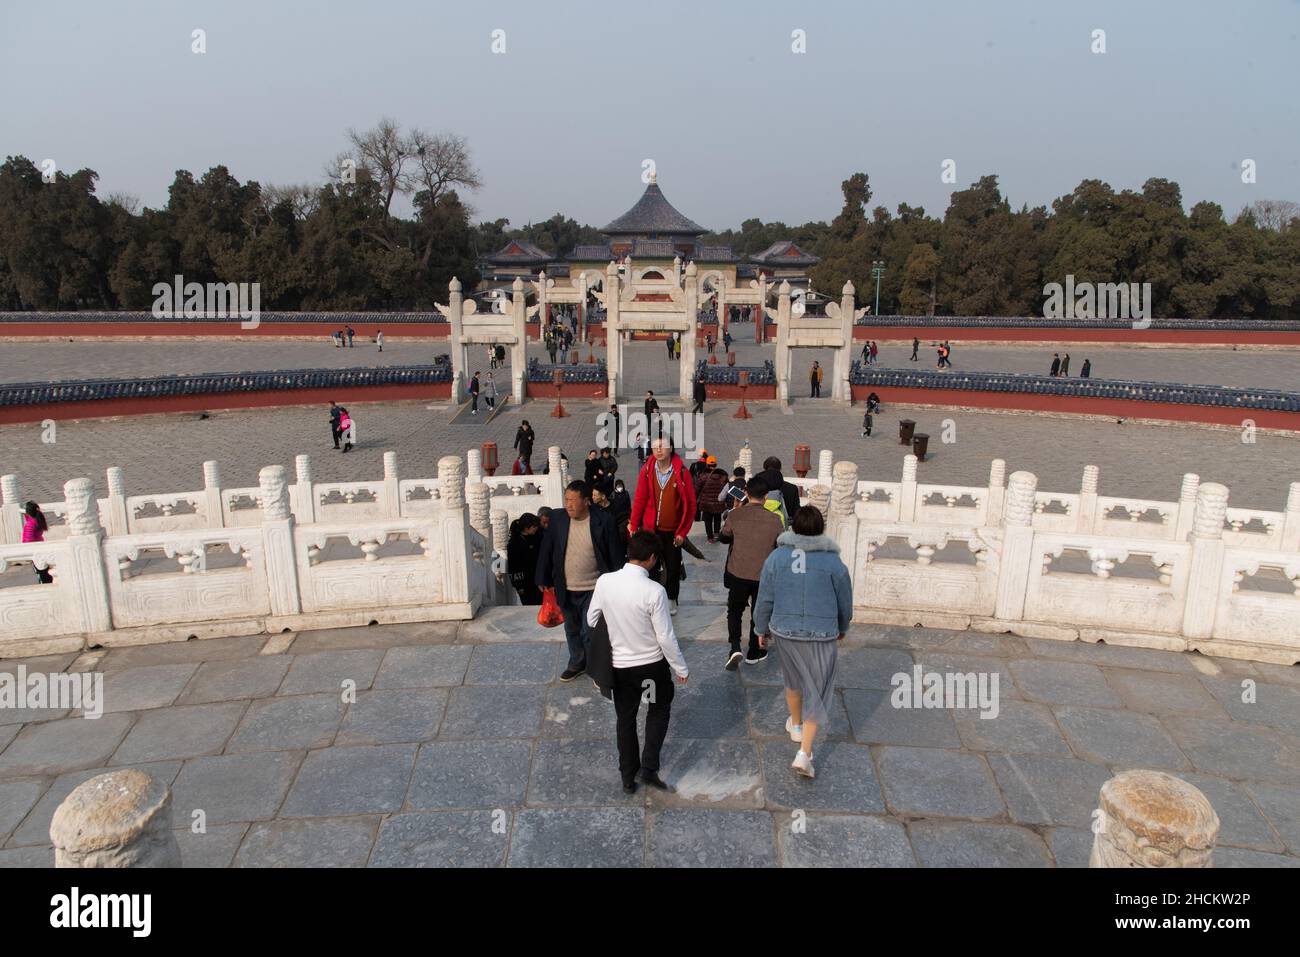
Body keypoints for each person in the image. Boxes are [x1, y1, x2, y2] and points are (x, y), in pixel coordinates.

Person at [754, 506, 853, 779]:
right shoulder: (834, 563)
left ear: (793, 528)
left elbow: (765, 597)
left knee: (793, 679)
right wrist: (842, 626)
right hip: (822, 632)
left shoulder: (777, 557)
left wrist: (760, 627)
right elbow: (845, 600)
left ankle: (795, 725)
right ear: (821, 529)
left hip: (784, 630)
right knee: (819, 689)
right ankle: (804, 753)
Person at [587, 530, 689, 794]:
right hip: (650, 669)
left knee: (626, 718)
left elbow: (591, 619)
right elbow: (665, 637)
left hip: (619, 668)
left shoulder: (605, 582)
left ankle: (627, 777)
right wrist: (680, 668)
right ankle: (648, 767)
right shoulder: (654, 591)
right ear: (652, 558)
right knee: (657, 709)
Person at [536, 480, 623, 681]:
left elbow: (614, 553)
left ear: (586, 501)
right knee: (571, 628)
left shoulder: (603, 520)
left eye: (573, 501)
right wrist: (542, 576)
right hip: (565, 586)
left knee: (588, 631)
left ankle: (595, 667)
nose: (568, 505)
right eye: (566, 500)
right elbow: (547, 549)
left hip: (594, 587)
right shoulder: (558, 519)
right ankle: (576, 662)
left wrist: (618, 582)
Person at [718, 477, 783, 669]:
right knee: (758, 613)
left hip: (737, 572)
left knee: (735, 611)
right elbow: (780, 546)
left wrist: (735, 510)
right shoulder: (774, 520)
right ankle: (754, 650)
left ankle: (735, 647)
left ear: (746, 493)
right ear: (765, 496)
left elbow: (723, 537)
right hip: (762, 576)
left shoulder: (736, 515)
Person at [629, 436, 696, 616]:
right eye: (655, 447)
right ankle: (650, 598)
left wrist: (682, 531)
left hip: (673, 530)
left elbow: (690, 505)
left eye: (662, 446)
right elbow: (640, 499)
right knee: (649, 564)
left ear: (671, 448)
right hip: (651, 529)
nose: (658, 450)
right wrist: (634, 524)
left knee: (673, 566)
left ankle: (671, 597)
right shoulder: (647, 470)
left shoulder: (681, 472)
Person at [506, 513, 543, 605]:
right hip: (526, 585)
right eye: (534, 526)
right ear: (527, 528)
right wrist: (519, 587)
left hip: (538, 581)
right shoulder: (515, 543)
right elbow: (513, 566)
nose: (536, 528)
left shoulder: (536, 537)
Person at [696, 456, 728, 543]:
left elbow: (697, 489)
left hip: (706, 503)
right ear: (715, 465)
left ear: (707, 464)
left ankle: (710, 537)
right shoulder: (723, 476)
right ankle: (717, 534)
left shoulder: (702, 476)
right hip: (718, 502)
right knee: (717, 518)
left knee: (708, 520)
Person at [757, 456, 800, 522]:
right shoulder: (792, 488)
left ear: (764, 469)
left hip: (760, 521)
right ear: (780, 469)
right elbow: (796, 512)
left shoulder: (758, 488)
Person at [22, 502, 53, 583]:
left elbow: (28, 539)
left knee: (40, 571)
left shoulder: (30, 524)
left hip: (34, 549)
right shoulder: (37, 520)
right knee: (44, 569)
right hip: (40, 545)